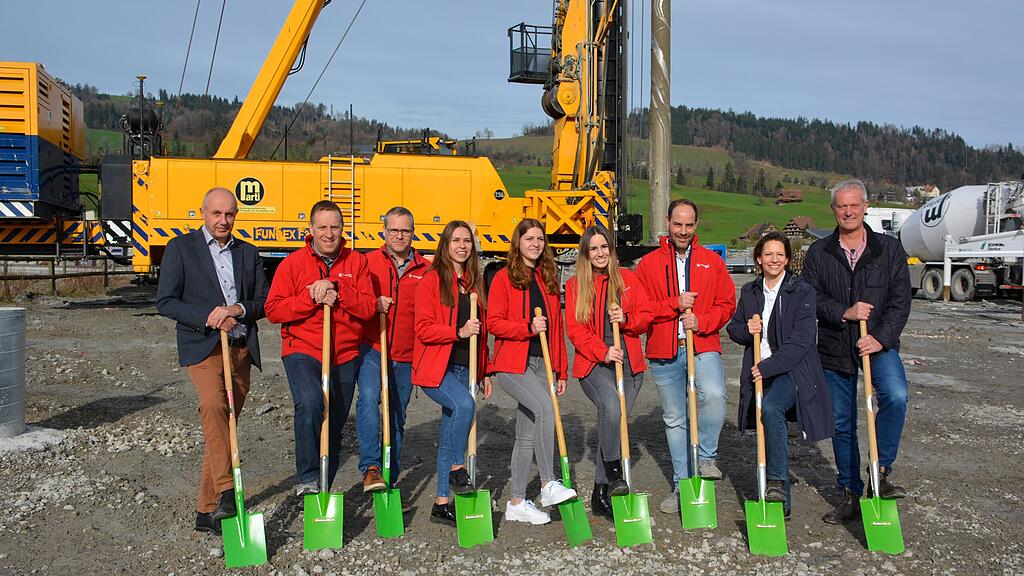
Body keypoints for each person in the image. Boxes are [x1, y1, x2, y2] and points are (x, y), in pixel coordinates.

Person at [155, 187, 269, 536]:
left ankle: (206, 511)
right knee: (213, 406)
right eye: (216, 214)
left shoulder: (249, 253)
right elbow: (166, 301)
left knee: (224, 425)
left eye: (230, 214)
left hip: (240, 350)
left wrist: (236, 310)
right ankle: (227, 492)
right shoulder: (180, 248)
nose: (223, 221)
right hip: (203, 347)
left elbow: (264, 301)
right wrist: (210, 315)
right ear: (202, 212)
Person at [801, 179, 911, 525]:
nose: (848, 211)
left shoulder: (888, 250)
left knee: (895, 396)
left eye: (854, 205)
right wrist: (843, 312)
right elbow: (810, 299)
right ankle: (849, 492)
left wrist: (880, 338)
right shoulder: (820, 253)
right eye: (841, 206)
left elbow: (900, 301)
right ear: (833, 210)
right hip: (835, 347)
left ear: (866, 206)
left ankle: (880, 470)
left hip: (878, 343)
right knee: (843, 422)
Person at [265, 200, 376, 497]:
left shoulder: (357, 262)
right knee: (311, 403)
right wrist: (309, 298)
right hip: (303, 349)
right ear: (311, 229)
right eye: (323, 227)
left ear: (343, 229)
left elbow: (367, 308)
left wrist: (338, 290)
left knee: (335, 423)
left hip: (344, 353)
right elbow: (273, 309)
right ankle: (308, 478)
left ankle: (325, 485)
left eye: (335, 227)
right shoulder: (292, 264)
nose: (329, 233)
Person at [635, 198, 736, 514]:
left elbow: (727, 304)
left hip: (702, 344)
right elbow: (640, 311)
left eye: (689, 225)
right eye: (677, 224)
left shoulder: (711, 261)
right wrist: (674, 304)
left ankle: (706, 456)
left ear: (696, 225)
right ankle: (681, 486)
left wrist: (702, 322)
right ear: (668, 222)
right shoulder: (648, 264)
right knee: (675, 419)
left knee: (716, 396)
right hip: (664, 352)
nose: (683, 230)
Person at [726, 231, 833, 518]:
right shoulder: (750, 291)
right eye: (768, 254)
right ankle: (775, 492)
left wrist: (766, 367)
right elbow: (733, 328)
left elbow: (802, 341)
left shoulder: (802, 290)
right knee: (763, 416)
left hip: (791, 370)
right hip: (760, 369)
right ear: (758, 259)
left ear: (787, 259)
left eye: (780, 254)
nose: (774, 260)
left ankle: (777, 484)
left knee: (771, 408)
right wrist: (746, 329)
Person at [487, 219, 578, 525]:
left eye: (540, 239)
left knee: (526, 435)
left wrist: (562, 369)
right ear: (519, 242)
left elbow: (557, 329)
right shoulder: (503, 278)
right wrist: (526, 327)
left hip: (543, 365)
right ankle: (549, 483)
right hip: (513, 363)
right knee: (545, 411)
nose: (535, 244)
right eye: (529, 239)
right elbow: (494, 322)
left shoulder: (548, 279)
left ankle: (515, 502)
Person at [564, 225, 652, 520]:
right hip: (594, 365)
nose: (600, 253)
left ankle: (601, 491)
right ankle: (615, 472)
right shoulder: (576, 285)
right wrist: (603, 351)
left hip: (629, 366)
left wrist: (626, 319)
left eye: (605, 247)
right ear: (586, 254)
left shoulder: (628, 279)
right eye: (594, 249)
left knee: (614, 422)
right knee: (612, 407)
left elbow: (645, 318)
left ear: (612, 251)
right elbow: (575, 330)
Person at [413, 220, 493, 526]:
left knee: (448, 435)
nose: (462, 246)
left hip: (466, 366)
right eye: (456, 240)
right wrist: (458, 331)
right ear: (445, 245)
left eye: (467, 241)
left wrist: (484, 370)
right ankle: (458, 467)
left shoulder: (474, 284)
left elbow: (482, 335)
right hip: (436, 367)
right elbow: (423, 329)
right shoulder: (432, 281)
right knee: (464, 406)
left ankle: (442, 503)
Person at [355, 206, 429, 492]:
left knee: (397, 415)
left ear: (413, 232)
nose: (399, 235)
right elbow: (352, 297)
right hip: (373, 346)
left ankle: (390, 474)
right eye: (394, 230)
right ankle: (371, 467)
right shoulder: (367, 262)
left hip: (407, 353)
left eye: (405, 230)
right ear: (384, 231)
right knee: (370, 398)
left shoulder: (425, 269)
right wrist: (373, 304)